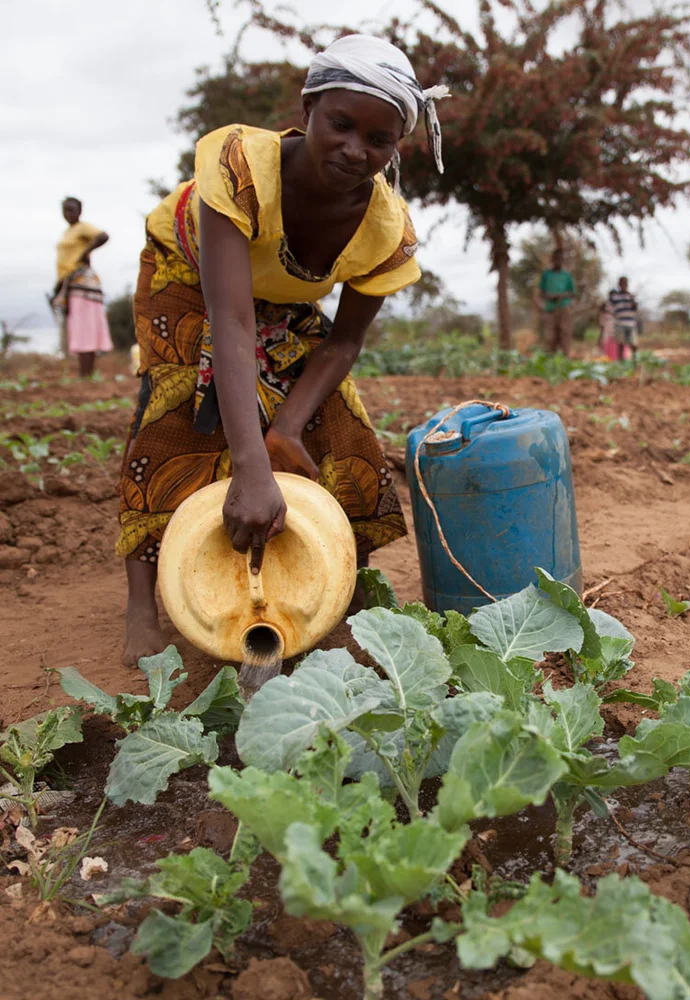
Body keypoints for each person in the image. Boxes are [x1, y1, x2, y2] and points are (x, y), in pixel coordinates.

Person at [117, 34, 449, 665]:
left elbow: (345, 340)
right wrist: (250, 464)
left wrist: (286, 428)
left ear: (396, 146)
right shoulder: (242, 166)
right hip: (189, 275)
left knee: (340, 423)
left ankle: (340, 585)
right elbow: (231, 322)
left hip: (281, 292)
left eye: (379, 141)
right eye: (341, 124)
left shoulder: (386, 228)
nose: (356, 150)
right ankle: (142, 599)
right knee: (182, 406)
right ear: (308, 110)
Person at [52, 198, 112, 377]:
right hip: (70, 282)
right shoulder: (67, 232)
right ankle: (84, 373)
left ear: (80, 211)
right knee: (78, 326)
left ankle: (86, 374)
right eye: (65, 210)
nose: (68, 214)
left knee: (85, 326)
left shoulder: (83, 227)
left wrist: (85, 253)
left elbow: (103, 236)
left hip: (82, 283)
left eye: (72, 210)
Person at [538, 249, 576, 354]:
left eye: (560, 259)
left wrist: (562, 295)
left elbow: (572, 292)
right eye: (556, 258)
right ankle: (551, 360)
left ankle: (565, 359)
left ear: (563, 260)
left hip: (564, 307)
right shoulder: (546, 274)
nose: (558, 261)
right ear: (552, 259)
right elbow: (541, 292)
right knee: (550, 337)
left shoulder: (567, 275)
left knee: (565, 334)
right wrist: (549, 296)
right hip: (550, 308)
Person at [608, 276, 639, 362]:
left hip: (630, 323)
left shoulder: (631, 296)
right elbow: (609, 308)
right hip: (620, 323)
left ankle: (635, 361)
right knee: (620, 344)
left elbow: (635, 308)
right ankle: (621, 363)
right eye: (622, 283)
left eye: (625, 283)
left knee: (633, 344)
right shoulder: (615, 297)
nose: (623, 285)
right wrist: (614, 315)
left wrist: (632, 300)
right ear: (619, 284)